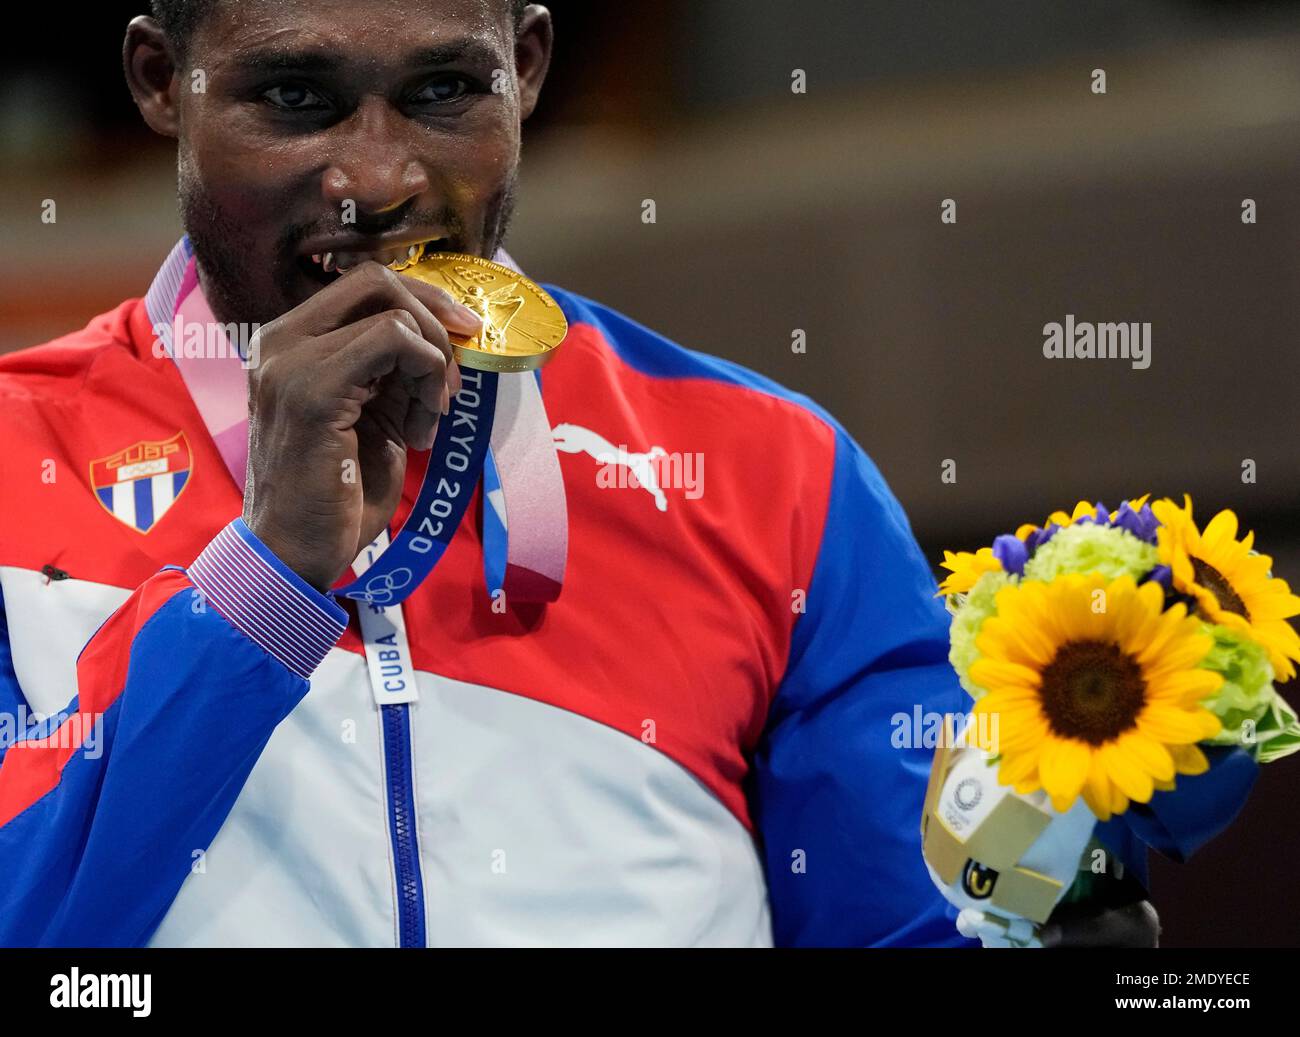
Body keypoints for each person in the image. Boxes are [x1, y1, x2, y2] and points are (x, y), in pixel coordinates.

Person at [0, 0, 1157, 947]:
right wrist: (262, 587)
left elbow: (901, 922)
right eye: (295, 98)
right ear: (162, 82)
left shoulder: (772, 474)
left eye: (446, 91)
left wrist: (1028, 926)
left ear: (529, 69)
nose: (379, 176)